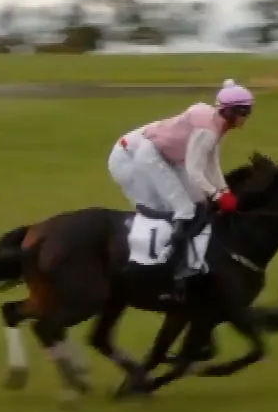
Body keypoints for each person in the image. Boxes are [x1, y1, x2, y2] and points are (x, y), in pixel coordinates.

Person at [107, 80, 253, 298]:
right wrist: (217, 194)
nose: (246, 116)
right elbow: (195, 171)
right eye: (244, 111)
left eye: (248, 111)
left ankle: (188, 262)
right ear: (230, 111)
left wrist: (224, 191)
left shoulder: (217, 123)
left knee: (198, 203)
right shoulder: (208, 131)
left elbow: (211, 162)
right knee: (182, 209)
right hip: (137, 156)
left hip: (163, 155)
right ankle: (164, 272)